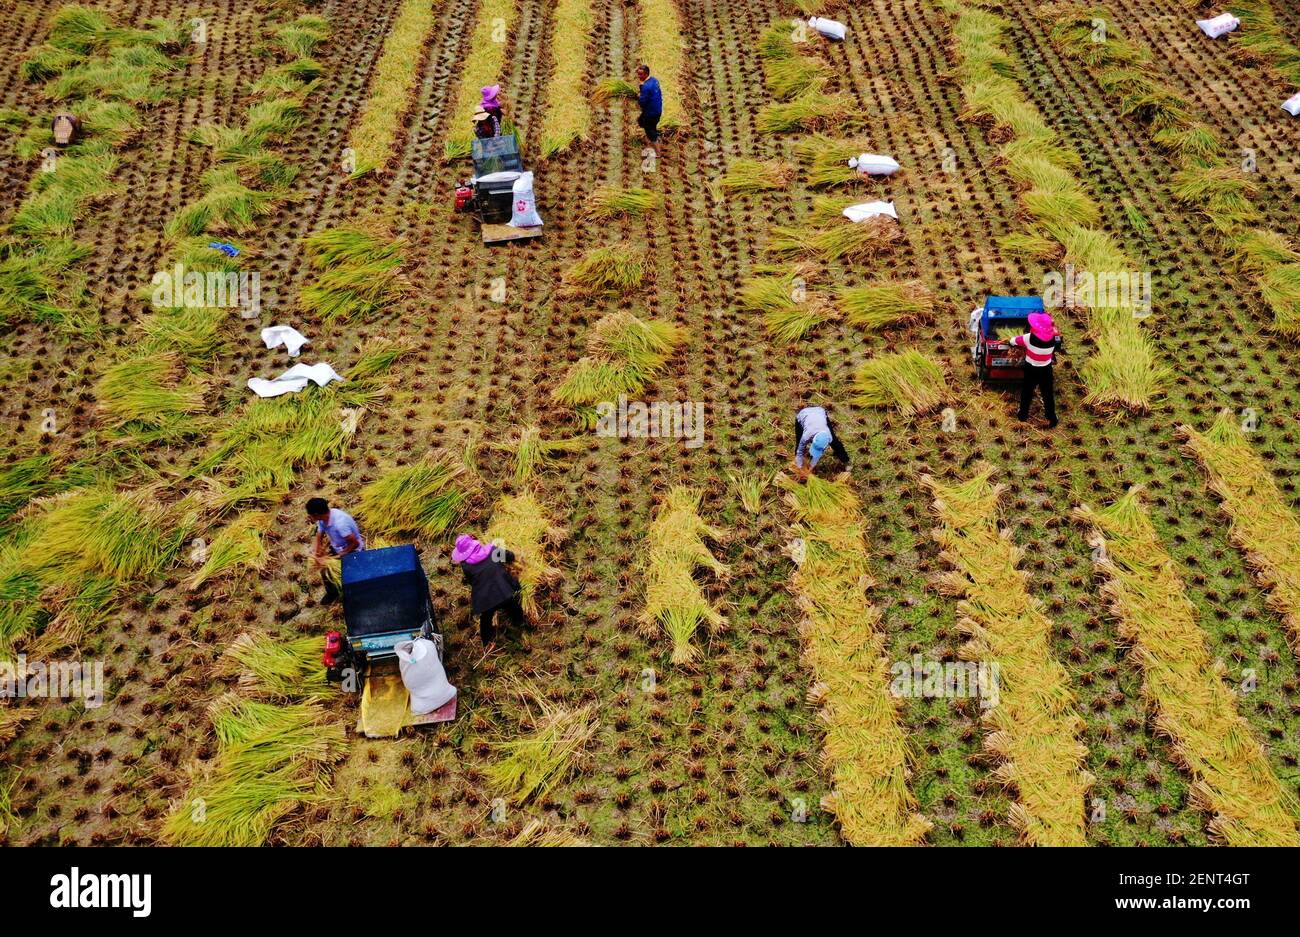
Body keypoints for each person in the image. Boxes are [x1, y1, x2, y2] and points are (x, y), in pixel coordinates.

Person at [452, 534, 525, 648]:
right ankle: (519, 623)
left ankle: (486, 641)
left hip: (485, 599)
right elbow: (510, 556)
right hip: (503, 592)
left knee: (485, 619)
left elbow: (472, 581)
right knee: (513, 607)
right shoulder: (492, 552)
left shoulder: (466, 565)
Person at [307, 497, 364, 605]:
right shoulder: (323, 518)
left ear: (316, 514)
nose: (310, 517)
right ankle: (332, 594)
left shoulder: (340, 524)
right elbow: (319, 534)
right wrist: (316, 552)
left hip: (353, 551)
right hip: (338, 547)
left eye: (310, 515)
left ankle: (354, 594)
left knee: (349, 576)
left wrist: (340, 555)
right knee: (325, 570)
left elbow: (355, 543)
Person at [1011, 311, 1063, 428]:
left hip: (1031, 369)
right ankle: (1051, 417)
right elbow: (1056, 336)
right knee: (1047, 393)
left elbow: (1013, 341)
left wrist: (1010, 341)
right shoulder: (1053, 339)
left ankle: (1022, 415)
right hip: (1046, 369)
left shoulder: (1029, 338)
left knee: (1027, 392)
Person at [793, 405, 850, 480]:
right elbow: (800, 451)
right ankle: (798, 463)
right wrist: (800, 468)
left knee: (836, 443)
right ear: (813, 440)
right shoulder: (807, 435)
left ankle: (846, 461)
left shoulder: (829, 437)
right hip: (803, 415)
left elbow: (819, 451)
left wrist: (811, 466)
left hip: (820, 412)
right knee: (799, 444)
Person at [635, 64, 662, 152]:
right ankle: (651, 140)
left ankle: (658, 151)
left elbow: (642, 102)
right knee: (641, 121)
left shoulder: (646, 87)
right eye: (638, 74)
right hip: (658, 110)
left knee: (650, 131)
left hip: (651, 113)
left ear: (646, 74)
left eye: (641, 74)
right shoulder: (654, 80)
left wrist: (639, 97)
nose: (638, 76)